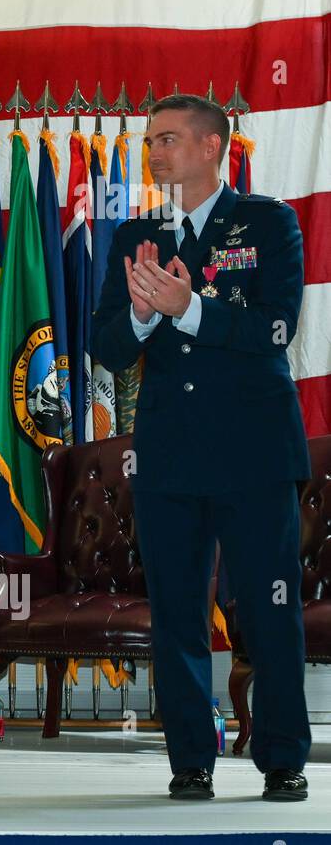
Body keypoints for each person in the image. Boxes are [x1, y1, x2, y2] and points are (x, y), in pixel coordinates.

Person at [93, 93, 310, 802]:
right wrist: (142, 313)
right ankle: (191, 758)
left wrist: (190, 308)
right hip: (171, 457)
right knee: (178, 615)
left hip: (252, 454)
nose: (154, 151)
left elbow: (275, 329)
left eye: (169, 138)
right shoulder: (135, 237)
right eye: (150, 140)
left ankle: (282, 758)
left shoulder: (269, 223)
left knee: (268, 610)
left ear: (214, 146)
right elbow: (106, 346)